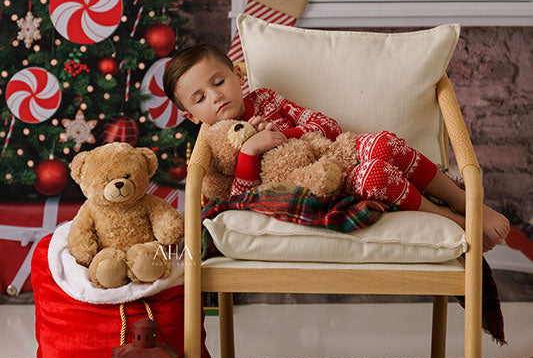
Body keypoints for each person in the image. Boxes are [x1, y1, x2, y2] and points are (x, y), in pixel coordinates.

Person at [163, 44, 510, 252]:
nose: (216, 96)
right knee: (375, 176)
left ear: (238, 75)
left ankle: (466, 202)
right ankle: (453, 221)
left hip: (333, 153)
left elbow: (326, 125)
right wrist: (251, 152)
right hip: (320, 185)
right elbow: (234, 200)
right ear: (191, 116)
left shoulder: (265, 98)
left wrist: (290, 133)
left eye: (219, 81)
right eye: (200, 98)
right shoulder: (211, 143)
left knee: (383, 142)